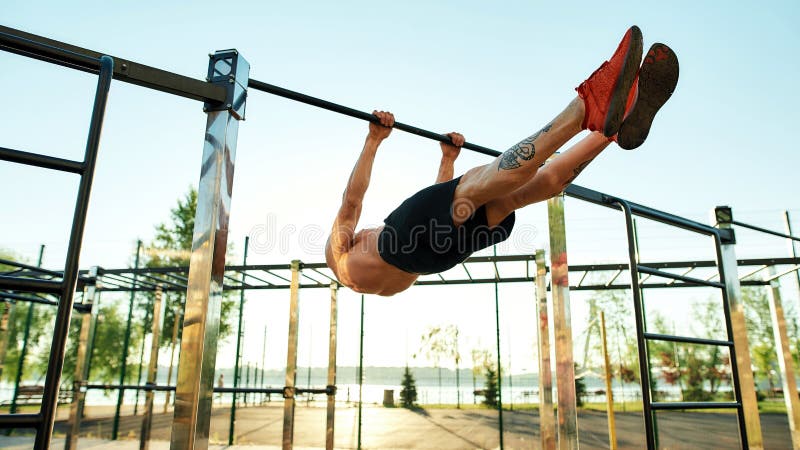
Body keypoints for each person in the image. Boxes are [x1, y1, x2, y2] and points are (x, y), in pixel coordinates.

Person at [325, 26, 679, 296]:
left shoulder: (376, 284)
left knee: (508, 194)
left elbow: (442, 213)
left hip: (439, 260)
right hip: (406, 243)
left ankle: (610, 131)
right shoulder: (338, 257)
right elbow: (351, 201)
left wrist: (448, 159)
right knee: (483, 180)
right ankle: (588, 107)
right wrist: (373, 140)